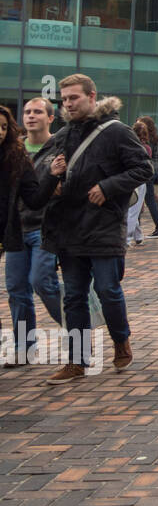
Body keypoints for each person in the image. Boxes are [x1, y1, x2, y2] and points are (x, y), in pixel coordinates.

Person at [40, 74, 153, 382]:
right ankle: (77, 361)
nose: (67, 104)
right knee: (73, 297)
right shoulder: (64, 134)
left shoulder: (117, 132)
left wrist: (107, 186)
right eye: (64, 99)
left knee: (107, 290)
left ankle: (121, 339)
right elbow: (42, 168)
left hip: (104, 226)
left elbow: (144, 168)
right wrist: (52, 182)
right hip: (69, 228)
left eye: (73, 98)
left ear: (92, 97)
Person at [2, 102, 65, 366]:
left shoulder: (58, 148)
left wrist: (55, 180)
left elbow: (37, 196)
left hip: (45, 227)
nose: (31, 116)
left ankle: (78, 320)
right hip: (16, 229)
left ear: (50, 117)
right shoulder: (14, 149)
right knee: (17, 288)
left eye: (37, 112)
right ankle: (25, 348)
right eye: (27, 112)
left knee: (41, 281)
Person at [132, 115, 158, 237]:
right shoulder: (156, 139)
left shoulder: (145, 139)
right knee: (147, 198)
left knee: (141, 199)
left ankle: (139, 232)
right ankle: (156, 229)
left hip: (147, 170)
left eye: (139, 122)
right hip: (154, 169)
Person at [126, 121, 152, 247]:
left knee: (131, 210)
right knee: (133, 211)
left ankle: (127, 239)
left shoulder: (129, 144)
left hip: (132, 180)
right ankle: (138, 236)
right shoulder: (146, 148)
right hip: (140, 182)